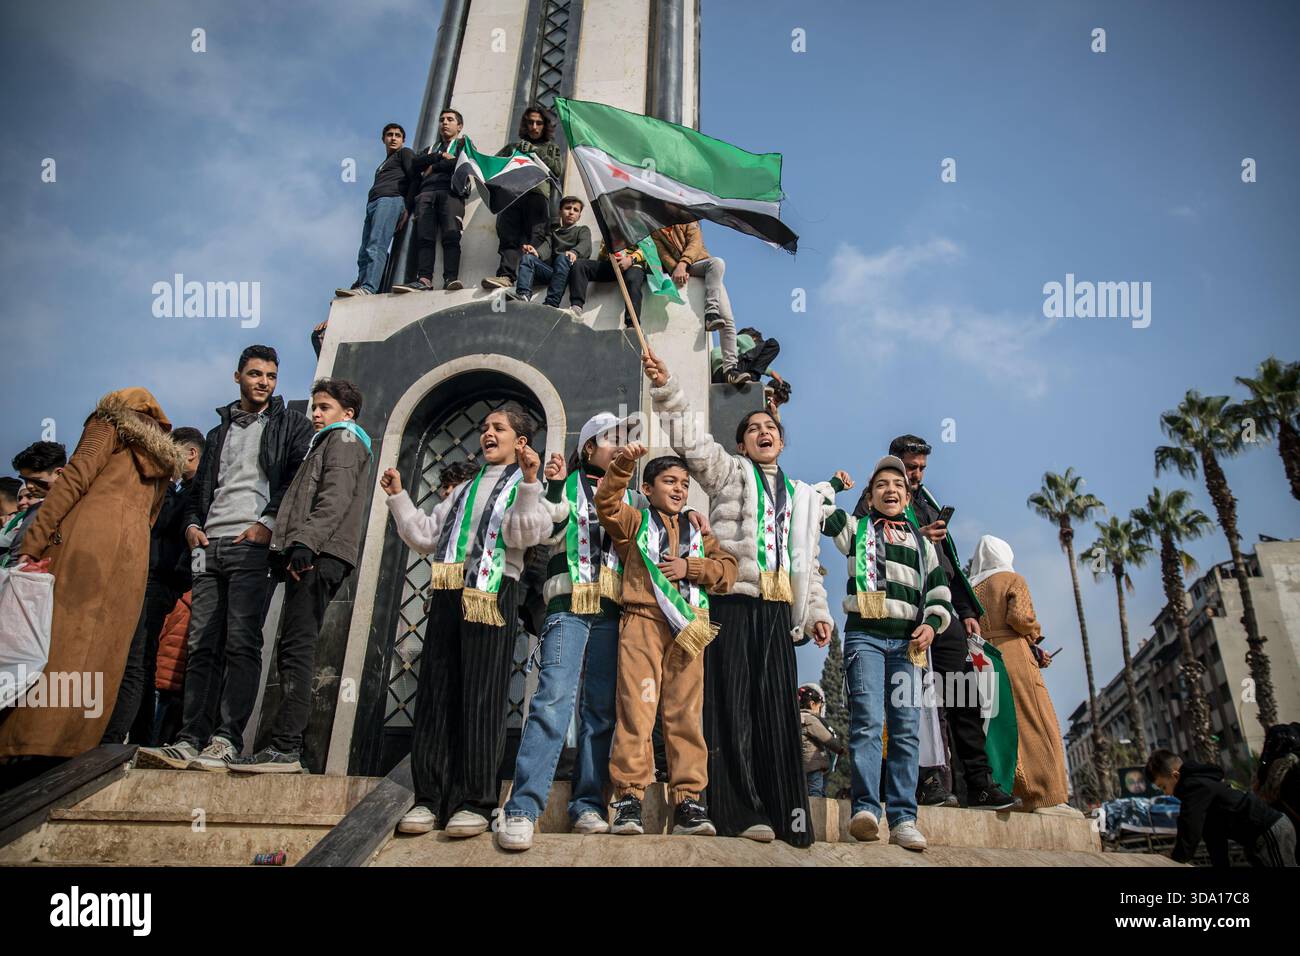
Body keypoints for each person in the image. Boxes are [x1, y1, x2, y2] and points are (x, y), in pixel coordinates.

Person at [643, 348, 835, 846]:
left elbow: (808, 564)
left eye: (770, 428)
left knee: (775, 710)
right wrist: (666, 387)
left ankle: (785, 813)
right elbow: (690, 437)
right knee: (731, 708)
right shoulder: (728, 473)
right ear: (741, 443)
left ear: (782, 440)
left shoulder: (802, 497)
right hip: (731, 602)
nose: (763, 432)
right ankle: (739, 810)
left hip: (777, 613)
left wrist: (816, 611)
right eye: (752, 429)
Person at [137, 345, 313, 772]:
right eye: (255, 374)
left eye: (270, 376)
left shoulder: (290, 424)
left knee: (241, 644)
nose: (263, 382)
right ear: (238, 377)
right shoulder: (217, 434)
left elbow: (295, 477)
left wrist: (267, 522)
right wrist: (192, 525)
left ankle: (226, 738)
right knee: (200, 646)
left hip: (251, 545)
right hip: (208, 546)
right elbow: (200, 492)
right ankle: (189, 738)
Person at [382, 403, 552, 837]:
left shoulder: (528, 484)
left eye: (498, 427)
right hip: (447, 591)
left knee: (482, 695)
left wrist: (531, 483)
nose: (488, 433)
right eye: (484, 427)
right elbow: (425, 535)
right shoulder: (463, 490)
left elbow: (525, 535)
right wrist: (399, 495)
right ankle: (429, 797)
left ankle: (475, 800)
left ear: (521, 440)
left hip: (492, 592)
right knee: (438, 690)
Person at [0, 389, 181, 763]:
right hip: (132, 554)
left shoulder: (108, 423)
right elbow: (152, 515)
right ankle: (79, 742)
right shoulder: (165, 456)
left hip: (87, 538)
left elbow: (74, 480)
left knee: (59, 640)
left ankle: (29, 740)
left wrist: (33, 543)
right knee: (105, 652)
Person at [223, 379, 373, 773]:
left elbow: (334, 499)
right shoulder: (325, 442)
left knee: (297, 648)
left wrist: (305, 542)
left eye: (324, 407)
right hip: (311, 552)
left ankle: (287, 747)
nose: (316, 414)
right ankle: (286, 745)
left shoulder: (343, 440)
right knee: (293, 646)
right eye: (315, 407)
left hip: (320, 554)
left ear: (347, 413)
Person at [593, 443, 736, 837]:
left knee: (685, 715)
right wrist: (622, 463)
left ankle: (688, 801)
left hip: (689, 629)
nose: (678, 490)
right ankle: (628, 799)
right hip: (641, 621)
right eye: (669, 482)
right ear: (648, 487)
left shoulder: (697, 530)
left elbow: (728, 571)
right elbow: (606, 503)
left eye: (685, 484)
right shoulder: (635, 523)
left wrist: (691, 566)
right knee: (636, 711)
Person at [821, 455, 954, 851]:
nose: (890, 490)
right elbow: (815, 509)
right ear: (870, 495)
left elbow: (939, 596)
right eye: (881, 485)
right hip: (865, 636)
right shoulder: (855, 529)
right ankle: (865, 810)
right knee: (866, 721)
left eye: (897, 485)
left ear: (908, 497)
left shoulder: (921, 543)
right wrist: (833, 483)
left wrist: (932, 624)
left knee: (907, 731)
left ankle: (903, 818)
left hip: (908, 645)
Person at [881, 434, 1016, 811]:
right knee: (912, 701)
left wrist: (968, 611)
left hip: (944, 613)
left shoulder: (927, 501)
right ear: (893, 463)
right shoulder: (877, 496)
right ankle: (923, 783)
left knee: (963, 696)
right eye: (910, 467)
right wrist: (914, 538)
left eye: (921, 467)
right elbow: (866, 542)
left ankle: (979, 783)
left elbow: (949, 561)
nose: (916, 474)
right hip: (903, 611)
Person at [101, 426, 205, 746]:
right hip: (156, 580)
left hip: (164, 583)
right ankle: (136, 736)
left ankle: (121, 737)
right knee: (141, 663)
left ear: (190, 453)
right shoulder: (178, 492)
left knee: (140, 661)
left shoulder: (192, 495)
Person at [968, 535, 1075, 814]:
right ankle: (1046, 796)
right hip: (1013, 654)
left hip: (983, 657)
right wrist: (1035, 634)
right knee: (1034, 720)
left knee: (998, 726)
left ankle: (1009, 790)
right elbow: (1020, 619)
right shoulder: (1011, 579)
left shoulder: (971, 586)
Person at [1147, 749, 1296, 867]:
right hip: (1261, 835)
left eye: (1163, 786)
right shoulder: (1201, 790)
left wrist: (1177, 856)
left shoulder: (1193, 786)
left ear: (1175, 775)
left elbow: (1190, 825)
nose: (1165, 793)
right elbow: (1213, 836)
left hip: (1269, 830)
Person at [651, 222, 745, 385]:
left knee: (728, 320)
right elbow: (663, 255)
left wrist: (683, 264)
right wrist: (676, 269)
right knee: (717, 264)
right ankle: (711, 313)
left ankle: (730, 370)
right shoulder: (655, 230)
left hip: (700, 264)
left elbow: (696, 243)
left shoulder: (687, 218)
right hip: (683, 271)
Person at [483, 106, 564, 288]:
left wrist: (536, 152)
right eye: (530, 122)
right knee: (508, 236)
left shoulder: (551, 147)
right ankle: (506, 275)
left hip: (537, 196)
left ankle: (533, 276)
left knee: (537, 237)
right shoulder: (513, 147)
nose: (534, 127)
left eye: (539, 123)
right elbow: (492, 167)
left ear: (545, 126)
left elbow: (557, 170)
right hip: (512, 195)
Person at [393, 109, 468, 294]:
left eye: (450, 120)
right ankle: (424, 279)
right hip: (425, 194)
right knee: (424, 238)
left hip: (450, 193)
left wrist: (433, 166)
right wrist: (439, 157)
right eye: (442, 119)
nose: (444, 123)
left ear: (459, 126)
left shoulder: (463, 144)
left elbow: (461, 163)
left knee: (451, 236)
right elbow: (415, 164)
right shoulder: (432, 148)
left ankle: (450, 278)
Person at [337, 123, 415, 297]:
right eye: (389, 135)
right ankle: (361, 283)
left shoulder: (405, 153)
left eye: (397, 135)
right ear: (383, 139)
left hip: (391, 200)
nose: (393, 138)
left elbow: (414, 178)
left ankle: (369, 287)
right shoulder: (383, 164)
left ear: (403, 140)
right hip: (374, 203)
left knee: (376, 244)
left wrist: (407, 208)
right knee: (364, 251)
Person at [506, 196, 592, 307]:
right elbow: (547, 247)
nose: (571, 212)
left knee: (563, 257)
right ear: (560, 212)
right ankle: (523, 295)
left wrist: (574, 252)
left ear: (579, 216)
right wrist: (536, 252)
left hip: (572, 274)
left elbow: (585, 245)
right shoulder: (554, 233)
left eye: (575, 210)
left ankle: (551, 303)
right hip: (555, 274)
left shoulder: (582, 230)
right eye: (568, 208)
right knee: (528, 258)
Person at [566, 244, 646, 326]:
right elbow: (602, 257)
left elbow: (648, 248)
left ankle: (632, 325)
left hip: (634, 264)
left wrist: (630, 259)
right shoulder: (609, 231)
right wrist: (607, 250)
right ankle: (576, 308)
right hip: (613, 265)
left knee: (632, 279)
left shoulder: (640, 231)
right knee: (579, 265)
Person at [798, 683, 844, 798]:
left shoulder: (796, 718)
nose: (820, 710)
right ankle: (816, 814)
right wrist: (839, 748)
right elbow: (825, 737)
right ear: (812, 704)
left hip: (800, 765)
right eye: (819, 706)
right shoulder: (810, 719)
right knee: (816, 792)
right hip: (813, 765)